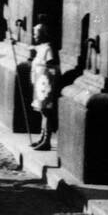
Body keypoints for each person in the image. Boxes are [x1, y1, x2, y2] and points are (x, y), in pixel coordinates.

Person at [29, 15, 60, 151]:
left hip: (45, 86)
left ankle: (47, 140)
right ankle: (42, 137)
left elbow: (51, 66)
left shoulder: (48, 48)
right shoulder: (41, 47)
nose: (34, 36)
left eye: (36, 34)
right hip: (39, 84)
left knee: (46, 112)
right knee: (43, 112)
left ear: (43, 35)